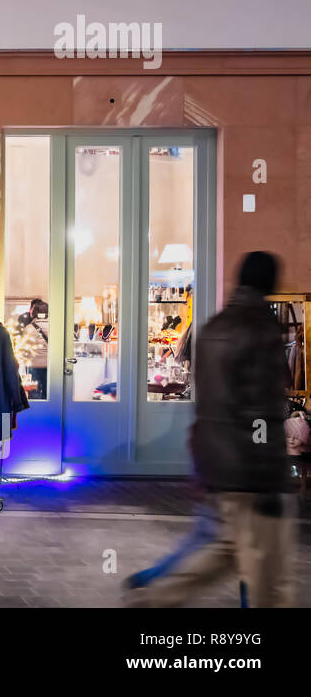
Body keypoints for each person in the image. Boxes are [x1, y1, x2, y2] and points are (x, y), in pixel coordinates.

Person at [128, 251, 295, 607]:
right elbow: (261, 414)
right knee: (270, 580)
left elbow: (209, 401)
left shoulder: (214, 327)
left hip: (217, 465)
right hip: (252, 474)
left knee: (223, 552)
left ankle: (154, 599)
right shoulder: (261, 332)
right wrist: (269, 475)